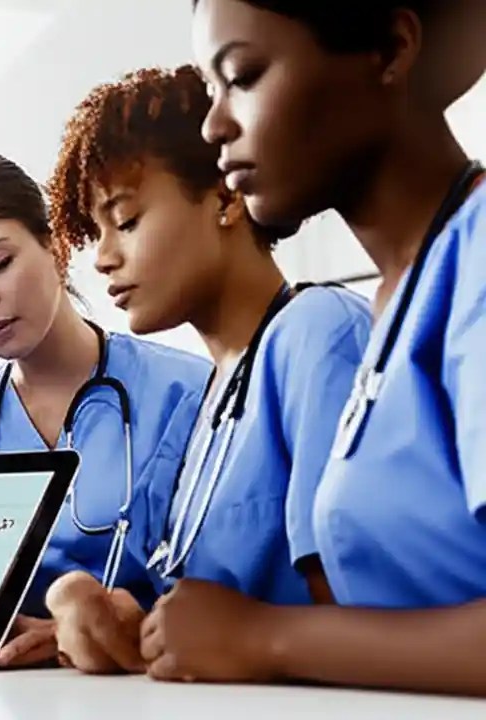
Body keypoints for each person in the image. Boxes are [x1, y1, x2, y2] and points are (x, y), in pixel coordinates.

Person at [134, 0, 486, 694]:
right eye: (211, 91)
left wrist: (262, 636)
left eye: (244, 76)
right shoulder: (398, 299)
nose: (213, 126)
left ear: (390, 49)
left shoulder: (476, 259)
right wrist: (173, 640)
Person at [40, 64, 372, 675]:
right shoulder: (210, 396)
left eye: (128, 220)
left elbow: (373, 617)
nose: (106, 259)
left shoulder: (317, 335)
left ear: (226, 198)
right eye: (98, 233)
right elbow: (189, 621)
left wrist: (245, 636)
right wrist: (91, 609)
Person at [0, 154, 211, 668]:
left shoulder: (186, 389)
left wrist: (86, 628)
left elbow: (224, 587)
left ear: (57, 247)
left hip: (153, 682)